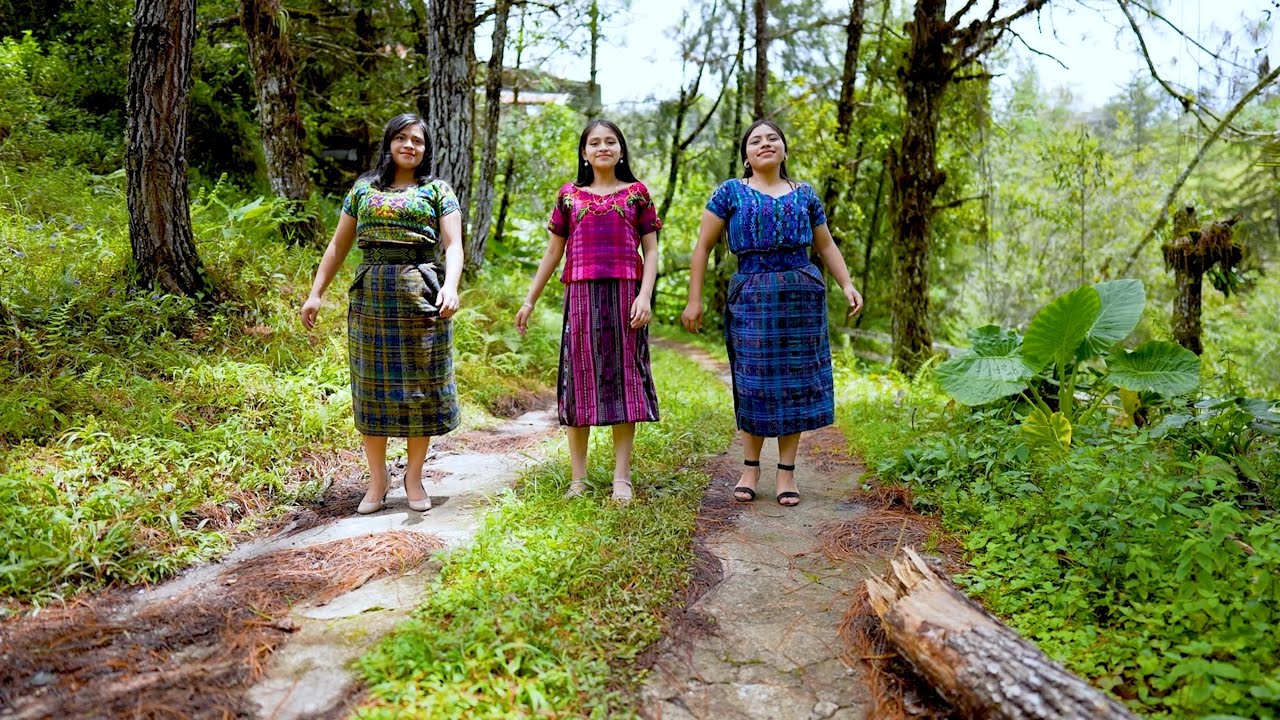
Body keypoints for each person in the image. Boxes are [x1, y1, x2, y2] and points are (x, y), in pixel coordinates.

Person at [681, 119, 863, 507]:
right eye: (755, 141)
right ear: (746, 155)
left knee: (795, 383)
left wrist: (846, 283)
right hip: (751, 294)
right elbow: (702, 248)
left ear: (784, 149)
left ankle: (786, 472)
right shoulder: (730, 193)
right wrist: (693, 300)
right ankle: (750, 467)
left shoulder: (805, 195)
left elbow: (826, 244)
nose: (765, 144)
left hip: (801, 296)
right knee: (753, 381)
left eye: (773, 139)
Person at [300, 113, 463, 515]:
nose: (410, 145)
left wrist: (451, 286)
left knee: (420, 390)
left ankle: (413, 477)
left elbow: (453, 244)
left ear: (426, 150)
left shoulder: (437, 190)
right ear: (388, 142)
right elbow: (339, 246)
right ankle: (377, 480)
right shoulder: (363, 190)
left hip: (422, 294)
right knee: (370, 389)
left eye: (418, 141)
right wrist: (316, 293)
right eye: (402, 138)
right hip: (371, 297)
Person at [515, 119, 661, 504]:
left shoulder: (637, 194)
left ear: (621, 149)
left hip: (626, 293)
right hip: (580, 296)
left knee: (625, 378)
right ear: (584, 152)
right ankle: (577, 478)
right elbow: (553, 252)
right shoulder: (569, 196)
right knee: (578, 380)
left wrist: (645, 296)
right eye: (594, 143)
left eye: (610, 141)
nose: (602, 148)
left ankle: (621, 477)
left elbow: (652, 250)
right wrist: (529, 300)